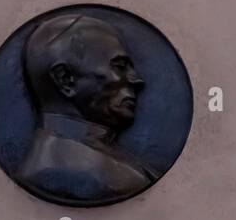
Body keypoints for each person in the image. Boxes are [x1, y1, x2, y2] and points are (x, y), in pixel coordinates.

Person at [18, 12, 155, 206]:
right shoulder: (57, 170)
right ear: (65, 79)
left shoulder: (108, 161)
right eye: (120, 66)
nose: (137, 79)